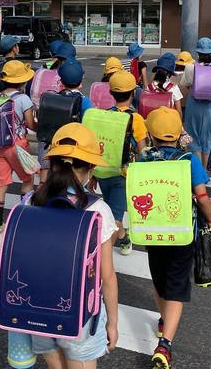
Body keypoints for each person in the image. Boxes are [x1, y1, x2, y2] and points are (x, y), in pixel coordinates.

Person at [30, 124, 119, 369]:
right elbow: (107, 276)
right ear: (90, 169)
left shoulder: (32, 202)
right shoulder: (98, 210)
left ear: (53, 165)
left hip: (37, 306)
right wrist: (112, 324)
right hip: (80, 313)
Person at [138, 107, 211, 369]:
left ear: (151, 133)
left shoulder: (144, 158)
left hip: (153, 232)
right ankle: (165, 345)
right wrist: (210, 218)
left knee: (159, 279)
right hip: (183, 233)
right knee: (177, 285)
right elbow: (202, 195)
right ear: (178, 132)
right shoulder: (189, 159)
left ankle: (163, 321)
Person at [100, 71, 148, 255]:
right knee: (114, 218)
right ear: (133, 93)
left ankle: (124, 239)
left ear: (111, 93)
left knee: (113, 214)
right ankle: (101, 258)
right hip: (123, 174)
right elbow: (142, 151)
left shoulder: (105, 115)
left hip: (104, 172)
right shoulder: (136, 119)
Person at [0, 60, 38, 237]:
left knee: (1, 184)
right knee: (27, 180)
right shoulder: (23, 99)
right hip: (17, 146)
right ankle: (25, 218)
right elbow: (31, 124)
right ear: (22, 81)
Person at [37, 58, 94, 186]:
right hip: (74, 149)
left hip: (54, 148)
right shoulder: (85, 102)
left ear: (61, 81)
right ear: (81, 82)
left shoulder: (53, 98)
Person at [178, 38, 211, 169]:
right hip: (210, 107)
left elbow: (185, 84)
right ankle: (205, 169)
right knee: (207, 137)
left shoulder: (191, 68)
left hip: (194, 105)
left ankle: (197, 172)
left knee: (194, 138)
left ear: (198, 53)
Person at [147, 52, 184, 117]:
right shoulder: (173, 88)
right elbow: (179, 112)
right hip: (168, 123)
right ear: (170, 73)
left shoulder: (149, 87)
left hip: (152, 121)